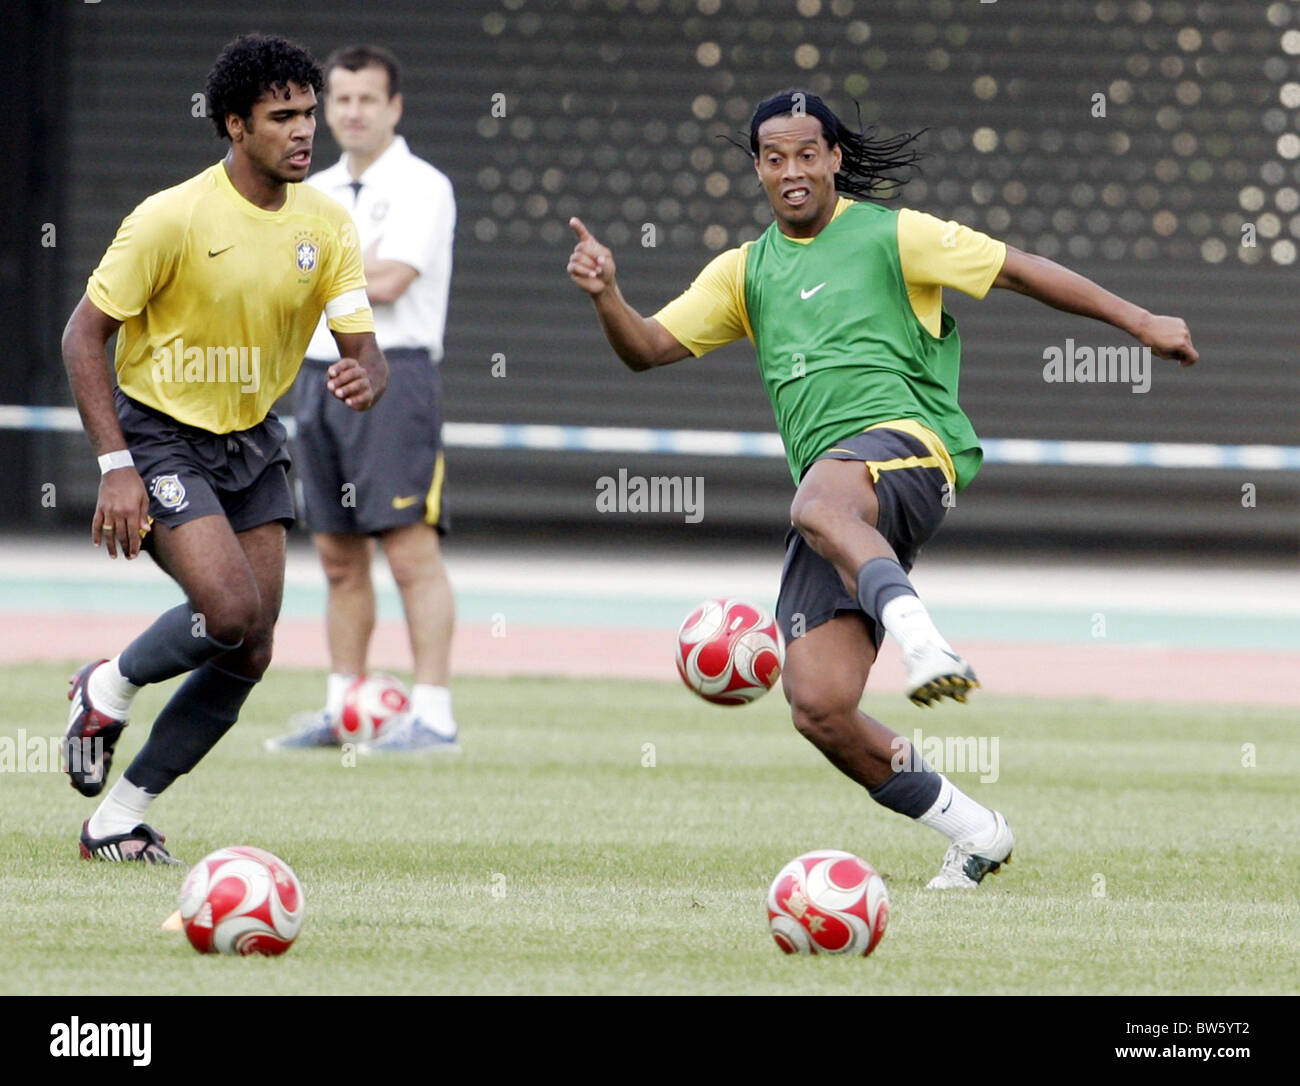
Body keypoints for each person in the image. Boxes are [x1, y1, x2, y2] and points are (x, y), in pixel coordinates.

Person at [566, 90, 1197, 889]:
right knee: (818, 707)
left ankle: (923, 640)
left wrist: (1140, 322)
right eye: (773, 157)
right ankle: (977, 832)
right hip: (839, 506)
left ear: (834, 158)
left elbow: (1017, 270)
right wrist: (606, 296)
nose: (791, 170)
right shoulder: (743, 271)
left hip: (911, 451)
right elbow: (647, 348)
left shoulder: (894, 233)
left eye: (807, 153)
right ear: (758, 167)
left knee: (816, 502)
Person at [60, 34, 386, 864]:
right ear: (236, 126)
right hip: (160, 436)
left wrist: (366, 376)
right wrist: (116, 468)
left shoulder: (327, 223)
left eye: (309, 113)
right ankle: (107, 685)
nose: (304, 131)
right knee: (229, 610)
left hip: (252, 441)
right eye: (284, 117)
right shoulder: (172, 217)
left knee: (254, 644)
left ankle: (119, 817)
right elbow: (81, 337)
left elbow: (362, 346)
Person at [267, 44, 459, 754]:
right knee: (337, 556)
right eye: (336, 101)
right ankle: (343, 705)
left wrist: (309, 268)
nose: (349, 113)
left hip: (393, 376)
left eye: (364, 99)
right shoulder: (306, 189)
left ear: (393, 107)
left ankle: (434, 715)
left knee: (410, 552)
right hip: (316, 377)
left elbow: (389, 282)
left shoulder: (424, 186)